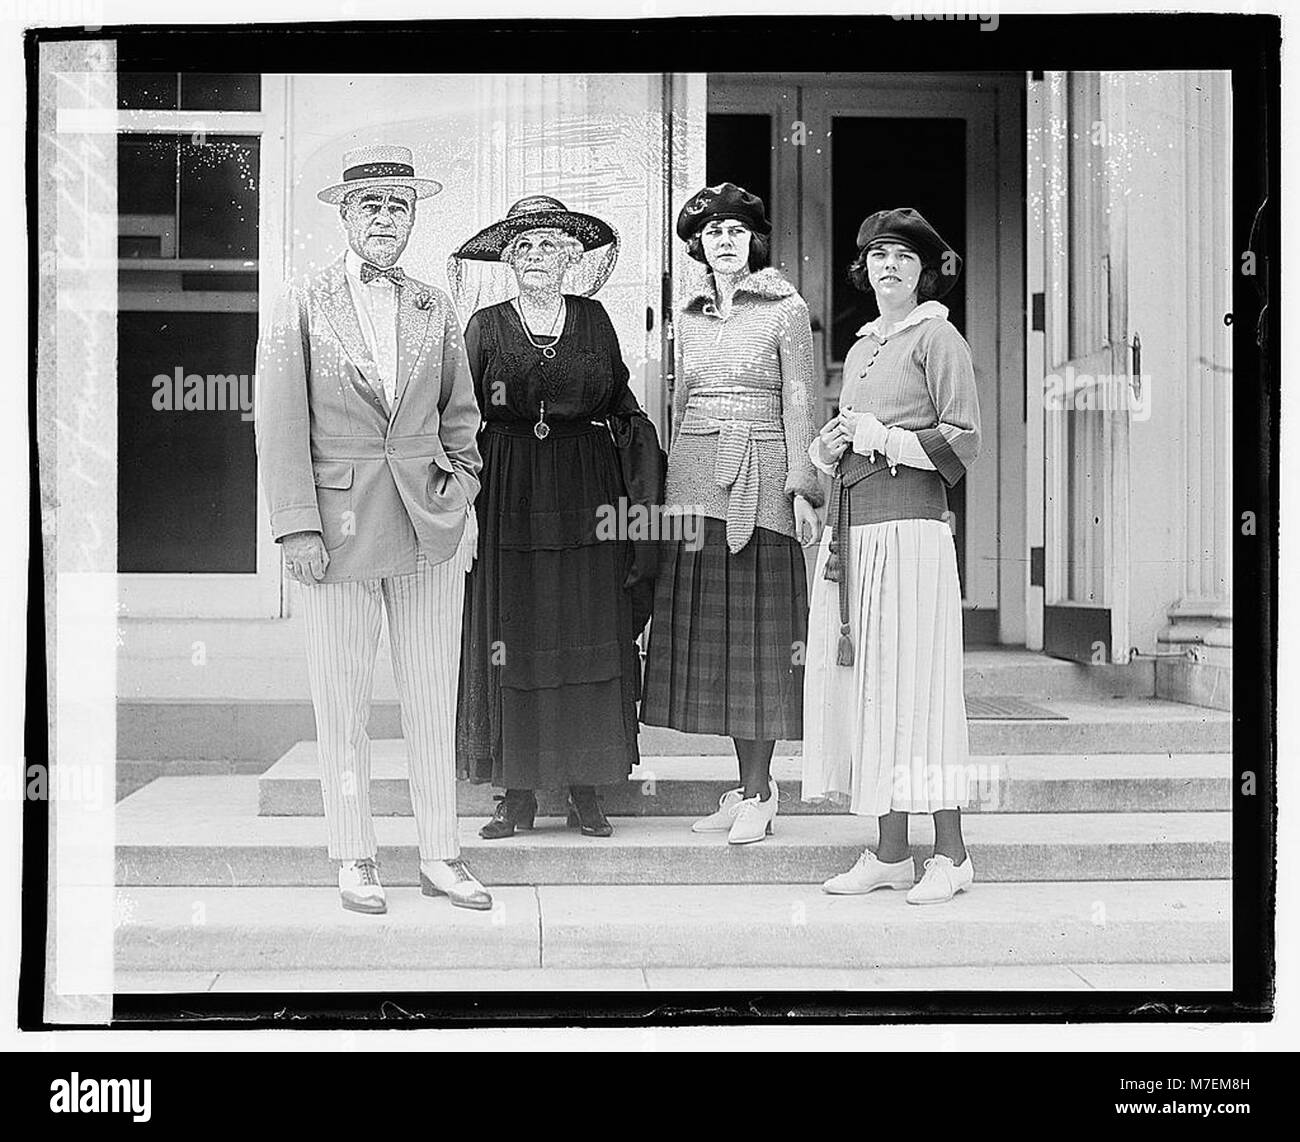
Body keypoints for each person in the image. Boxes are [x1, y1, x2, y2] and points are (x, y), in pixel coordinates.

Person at [255, 143, 492, 915]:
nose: (385, 219)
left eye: (399, 206)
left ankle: (440, 855)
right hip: (337, 527)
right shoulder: (302, 298)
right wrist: (295, 527)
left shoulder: (433, 302)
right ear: (345, 216)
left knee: (432, 697)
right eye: (371, 206)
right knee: (343, 701)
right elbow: (281, 421)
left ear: (414, 217)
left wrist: (461, 490)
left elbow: (462, 414)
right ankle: (354, 855)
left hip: (430, 524)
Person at [450, 195, 661, 839]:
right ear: (509, 259)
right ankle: (514, 794)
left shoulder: (594, 320)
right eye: (526, 246)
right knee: (514, 630)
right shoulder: (485, 326)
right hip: (507, 486)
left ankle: (584, 790)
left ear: (570, 257)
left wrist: (642, 488)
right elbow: (460, 414)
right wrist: (461, 505)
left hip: (584, 481)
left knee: (585, 621)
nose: (538, 255)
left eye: (551, 245)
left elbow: (621, 401)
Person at [801, 207, 981, 905]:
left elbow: (963, 441)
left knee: (921, 692)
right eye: (879, 255)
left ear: (924, 271)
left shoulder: (938, 337)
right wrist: (833, 444)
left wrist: (882, 437)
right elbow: (857, 438)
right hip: (856, 537)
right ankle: (890, 851)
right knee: (874, 691)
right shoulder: (867, 342)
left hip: (911, 539)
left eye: (905, 257)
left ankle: (954, 855)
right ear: (864, 269)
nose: (890, 266)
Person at [641, 182, 822, 845]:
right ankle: (747, 786)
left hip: (763, 482)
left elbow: (802, 400)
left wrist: (804, 487)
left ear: (754, 242)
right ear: (698, 244)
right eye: (713, 231)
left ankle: (759, 790)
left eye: (737, 232)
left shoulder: (785, 309)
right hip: (696, 484)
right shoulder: (685, 316)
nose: (725, 241)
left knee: (760, 645)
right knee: (715, 643)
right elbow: (681, 404)